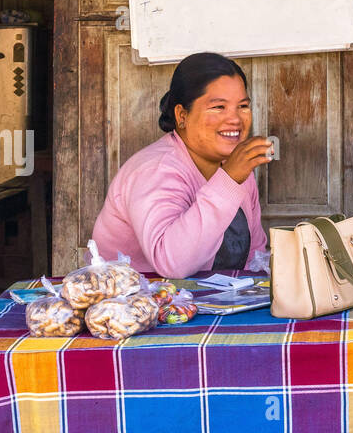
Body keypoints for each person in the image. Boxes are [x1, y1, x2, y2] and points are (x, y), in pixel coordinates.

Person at [92, 52, 272, 279]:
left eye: (243, 106)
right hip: (135, 307)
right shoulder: (155, 170)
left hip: (214, 303)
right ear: (182, 115)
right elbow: (172, 264)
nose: (235, 119)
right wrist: (229, 178)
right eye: (218, 107)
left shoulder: (237, 168)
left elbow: (254, 259)